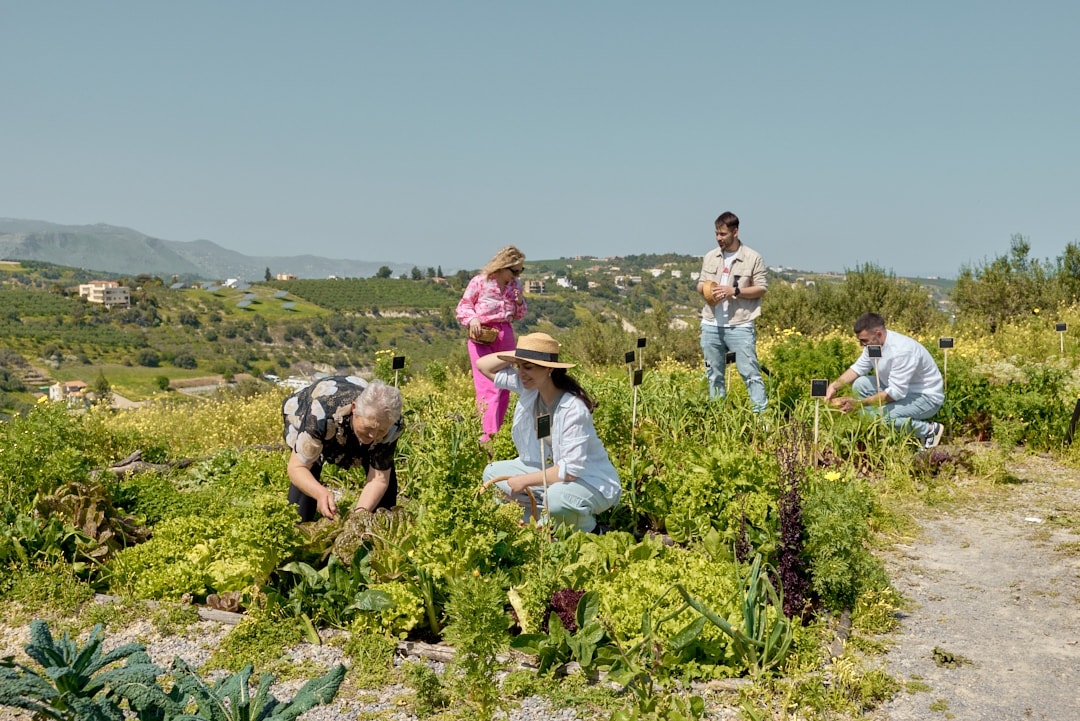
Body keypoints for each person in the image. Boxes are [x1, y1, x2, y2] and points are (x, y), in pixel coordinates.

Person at [475, 332, 620, 533]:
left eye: (528, 367)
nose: (521, 373)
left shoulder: (573, 408)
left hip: (590, 480)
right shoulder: (531, 388)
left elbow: (571, 471)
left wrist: (524, 480)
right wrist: (522, 354)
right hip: (556, 471)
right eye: (518, 366)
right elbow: (483, 365)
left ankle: (592, 530)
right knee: (492, 473)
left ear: (549, 368)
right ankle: (538, 522)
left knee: (557, 498)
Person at [282, 375, 404, 521]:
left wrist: (359, 514)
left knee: (384, 491)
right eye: (369, 427)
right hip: (310, 410)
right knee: (310, 469)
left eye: (381, 430)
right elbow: (297, 467)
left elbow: (379, 479)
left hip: (347, 411)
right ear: (354, 408)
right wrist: (320, 493)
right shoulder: (320, 414)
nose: (373, 435)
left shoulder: (392, 423)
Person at [823, 312, 945, 449]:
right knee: (861, 384)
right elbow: (858, 368)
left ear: (878, 333)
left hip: (925, 397)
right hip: (898, 389)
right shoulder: (873, 344)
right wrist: (834, 386)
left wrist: (859, 404)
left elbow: (895, 393)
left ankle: (929, 430)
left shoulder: (902, 350)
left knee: (881, 417)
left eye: (864, 340)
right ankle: (872, 430)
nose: (861, 344)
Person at [696, 211, 768, 412]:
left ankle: (761, 420)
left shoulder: (753, 258)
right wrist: (708, 290)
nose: (718, 238)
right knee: (713, 375)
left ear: (735, 232)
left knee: (750, 374)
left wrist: (734, 291)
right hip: (711, 324)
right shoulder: (710, 257)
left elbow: (761, 288)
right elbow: (700, 284)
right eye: (716, 234)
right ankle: (718, 417)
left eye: (723, 234)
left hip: (740, 325)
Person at [455, 245, 528, 444]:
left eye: (520, 271)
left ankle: (498, 431)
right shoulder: (480, 282)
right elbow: (464, 306)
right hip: (483, 336)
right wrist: (472, 319)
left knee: (504, 385)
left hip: (505, 335)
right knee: (488, 386)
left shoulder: (515, 286)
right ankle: (488, 435)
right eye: (514, 271)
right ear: (503, 266)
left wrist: (519, 302)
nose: (517, 275)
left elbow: (520, 315)